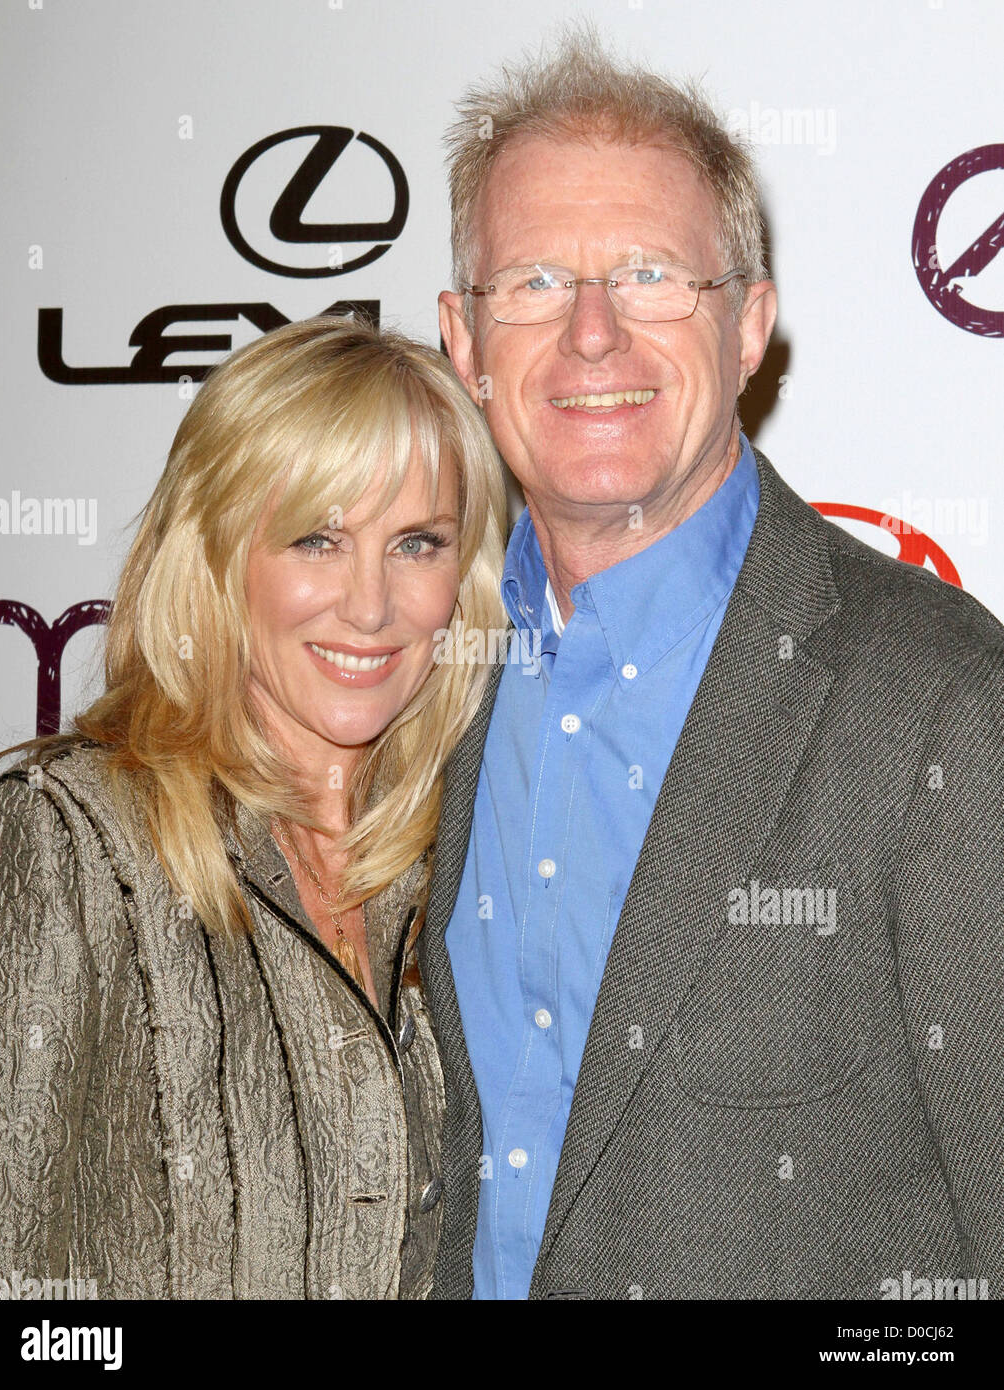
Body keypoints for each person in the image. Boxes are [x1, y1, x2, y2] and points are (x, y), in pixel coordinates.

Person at [419, 27, 1004, 1300]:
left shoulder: (942, 702)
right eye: (529, 282)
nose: (588, 335)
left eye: (647, 276)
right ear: (463, 342)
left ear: (748, 325)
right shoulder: (412, 675)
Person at [0, 314, 507, 1299]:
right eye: (318, 538)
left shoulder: (467, 869)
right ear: (215, 557)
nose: (371, 603)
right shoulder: (59, 837)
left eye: (417, 543)